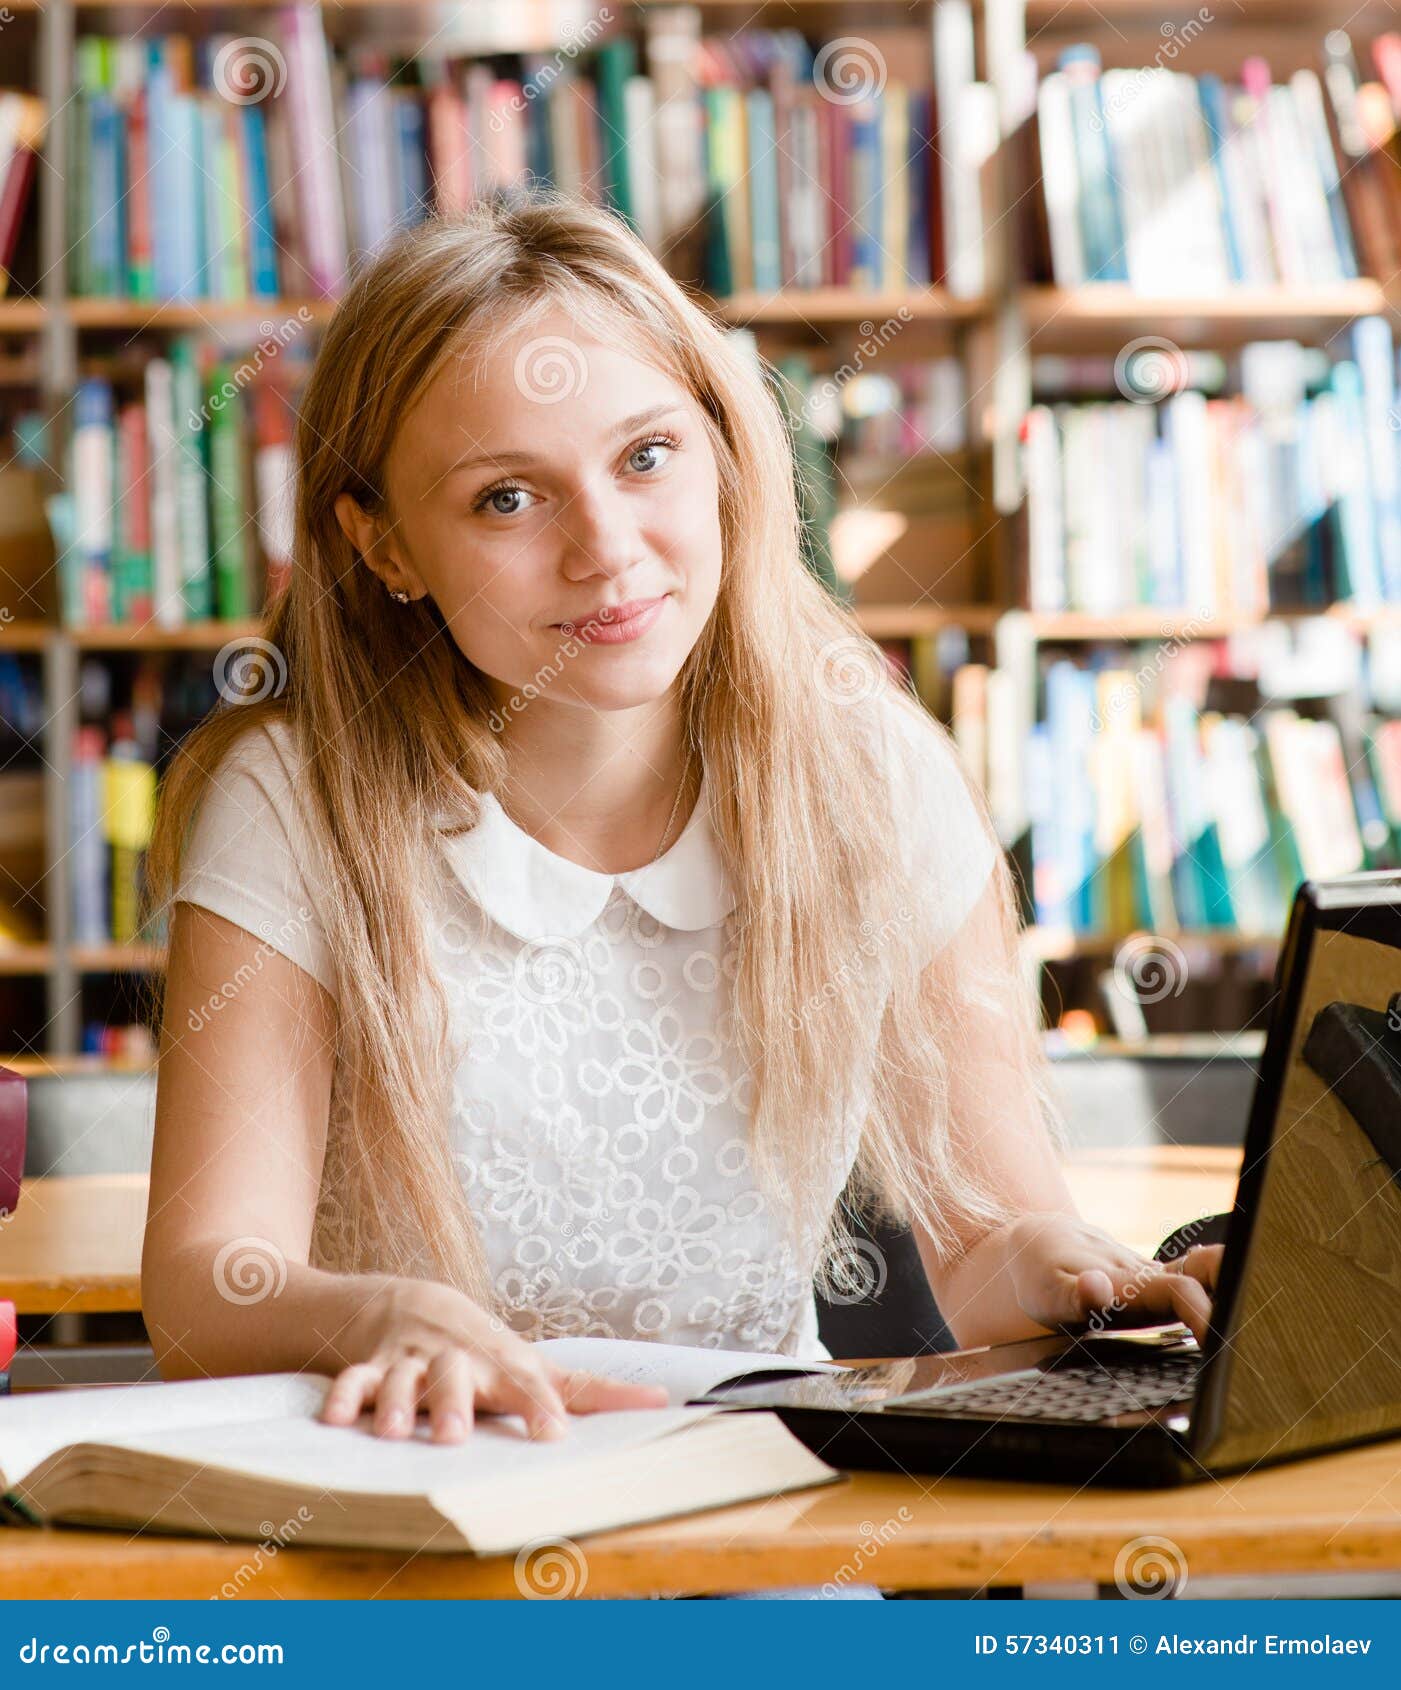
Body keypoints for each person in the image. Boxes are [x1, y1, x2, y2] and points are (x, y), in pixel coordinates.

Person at [142, 191, 1219, 1499]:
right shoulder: (295, 805)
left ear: (722, 450)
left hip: (744, 1494)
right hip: (413, 1497)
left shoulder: (873, 771)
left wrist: (1072, 1271)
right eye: (505, 498)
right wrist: (374, 1315)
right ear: (384, 545)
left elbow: (984, 1241)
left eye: (645, 457)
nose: (606, 550)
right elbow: (208, 1284)